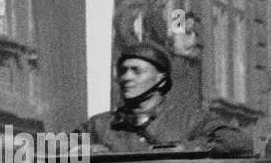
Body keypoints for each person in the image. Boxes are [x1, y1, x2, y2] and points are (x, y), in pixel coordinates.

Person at [78, 42, 254, 154]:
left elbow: (240, 141)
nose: (126, 77)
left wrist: (188, 148)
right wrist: (77, 151)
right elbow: (53, 147)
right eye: (123, 71)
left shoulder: (190, 120)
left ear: (161, 79)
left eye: (136, 71)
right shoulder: (100, 125)